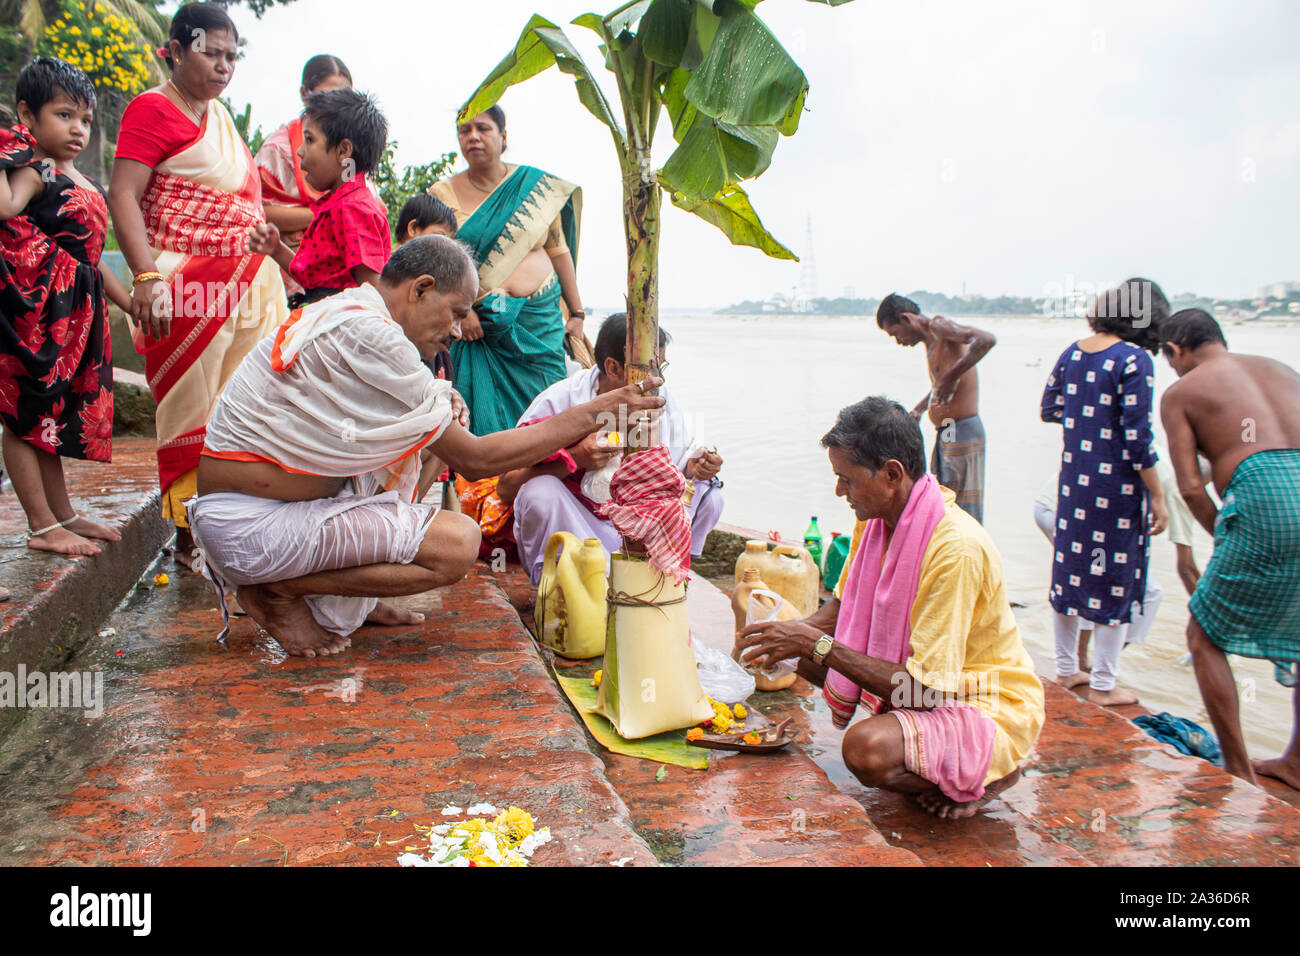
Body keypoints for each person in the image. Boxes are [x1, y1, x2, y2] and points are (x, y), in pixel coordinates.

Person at [189, 237, 663, 659]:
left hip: (254, 518)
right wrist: (601, 410)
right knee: (459, 544)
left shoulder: (350, 311)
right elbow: (477, 460)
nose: (458, 331)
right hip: (248, 527)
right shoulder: (370, 333)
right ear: (420, 289)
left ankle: (338, 594)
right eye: (457, 313)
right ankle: (277, 589)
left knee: (441, 417)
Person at [737, 397, 1044, 819]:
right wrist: (780, 635)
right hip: (923, 688)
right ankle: (941, 759)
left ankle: (990, 772)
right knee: (795, 648)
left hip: (982, 702)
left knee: (865, 751)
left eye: (846, 479)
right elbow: (837, 613)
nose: (839, 491)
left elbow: (926, 691)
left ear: (892, 474)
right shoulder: (873, 522)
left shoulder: (956, 549)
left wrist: (813, 643)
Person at [107, 2, 287, 568]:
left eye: (232, 56)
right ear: (176, 49)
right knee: (190, 409)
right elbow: (123, 197)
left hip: (249, 280)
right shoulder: (151, 110)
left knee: (241, 408)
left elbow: (243, 202)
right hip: (186, 282)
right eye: (212, 53)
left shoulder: (222, 120)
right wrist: (146, 277)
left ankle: (229, 530)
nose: (224, 66)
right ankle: (187, 537)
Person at [1158, 308, 1300, 789]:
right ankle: (1296, 761)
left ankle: (1239, 770)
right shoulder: (1281, 369)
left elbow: (1192, 488)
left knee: (1203, 635)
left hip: (1263, 496)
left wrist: (1225, 534)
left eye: (1169, 359)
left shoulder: (1180, 393)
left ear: (1176, 350)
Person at [0, 58, 132, 557]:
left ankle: (64, 515)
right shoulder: (36, 173)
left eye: (85, 119)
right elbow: (6, 209)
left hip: (74, 319)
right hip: (38, 319)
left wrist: (132, 304)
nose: (77, 128)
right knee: (22, 417)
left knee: (48, 417)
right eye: (63, 115)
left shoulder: (79, 178)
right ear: (27, 117)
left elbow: (92, 264)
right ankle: (40, 526)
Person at [500, 312, 725, 585]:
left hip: (643, 529)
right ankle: (572, 585)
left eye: (661, 369)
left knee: (710, 494)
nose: (658, 381)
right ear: (613, 368)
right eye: (648, 371)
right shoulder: (561, 399)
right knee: (538, 493)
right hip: (581, 527)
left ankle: (669, 579)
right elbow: (507, 487)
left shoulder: (659, 396)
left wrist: (696, 465)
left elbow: (681, 461)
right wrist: (575, 459)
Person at [1040, 279, 1170, 707]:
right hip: (1117, 487)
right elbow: (1138, 438)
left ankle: (1065, 670)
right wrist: (1160, 496)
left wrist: (1087, 426)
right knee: (1116, 577)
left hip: (1076, 481)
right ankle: (1102, 684)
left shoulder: (1073, 352)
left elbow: (1049, 408)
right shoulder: (1134, 360)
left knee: (1069, 567)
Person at [427, 106, 586, 434]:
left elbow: (558, 251)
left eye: (483, 128)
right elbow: (438, 259)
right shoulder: (442, 194)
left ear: (503, 137)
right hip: (478, 328)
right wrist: (464, 312)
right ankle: (480, 486)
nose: (473, 136)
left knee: (549, 410)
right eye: (464, 130)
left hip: (539, 324)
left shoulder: (536, 189)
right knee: (478, 417)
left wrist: (577, 312)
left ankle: (542, 482)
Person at [248, 88, 390, 307]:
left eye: (310, 140)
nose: (300, 152)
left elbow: (371, 293)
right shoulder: (336, 205)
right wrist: (276, 249)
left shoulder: (353, 209)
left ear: (343, 151)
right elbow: (311, 279)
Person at [876, 294, 995, 522]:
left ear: (906, 318)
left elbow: (986, 340)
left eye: (895, 333)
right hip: (947, 429)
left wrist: (951, 376)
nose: (898, 342)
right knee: (944, 500)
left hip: (962, 428)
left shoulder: (939, 326)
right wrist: (919, 410)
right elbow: (940, 385)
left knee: (964, 507)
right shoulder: (930, 343)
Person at [254, 54, 355, 298]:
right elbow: (255, 211)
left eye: (345, 97)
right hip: (288, 280)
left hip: (345, 286)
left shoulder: (352, 148)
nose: (336, 106)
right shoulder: (278, 149)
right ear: (304, 93)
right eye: (327, 96)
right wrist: (327, 213)